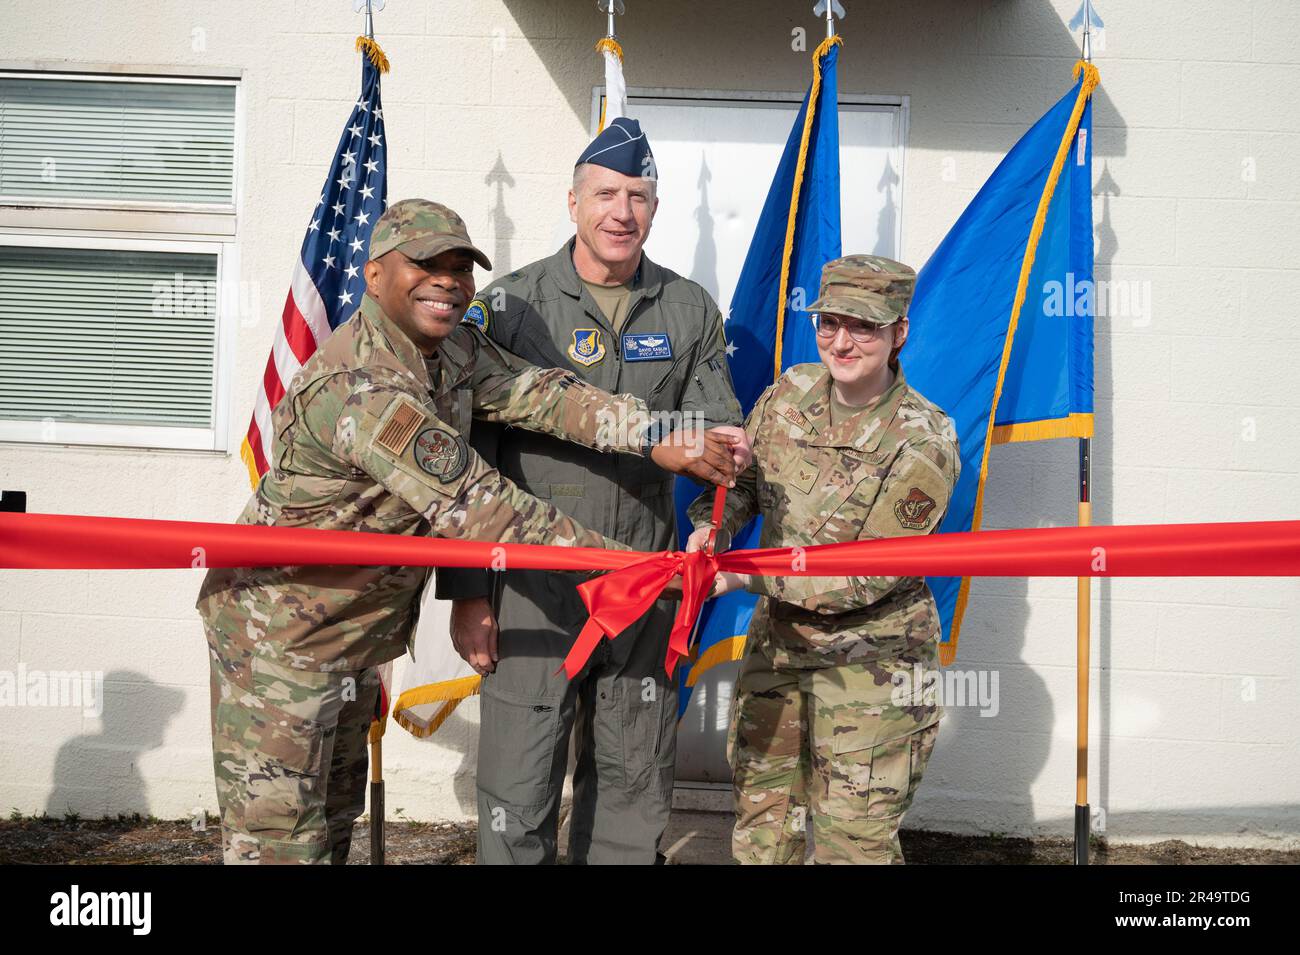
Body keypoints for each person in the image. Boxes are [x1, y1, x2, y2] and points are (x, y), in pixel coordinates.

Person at [196, 198, 740, 865]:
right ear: (373, 275)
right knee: (282, 846)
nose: (448, 280)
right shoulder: (365, 387)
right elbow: (482, 506)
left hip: (352, 633)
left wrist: (657, 433)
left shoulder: (449, 348)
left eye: (461, 266)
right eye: (426, 264)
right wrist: (632, 565)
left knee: (332, 825)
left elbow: (540, 393)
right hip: (282, 641)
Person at [436, 118, 744, 865]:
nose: (622, 211)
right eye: (606, 193)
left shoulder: (689, 309)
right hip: (532, 590)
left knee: (633, 783)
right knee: (518, 782)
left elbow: (722, 442)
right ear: (572, 202)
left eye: (638, 196)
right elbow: (468, 455)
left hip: (643, 582)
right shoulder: (510, 306)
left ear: (655, 210)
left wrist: (711, 526)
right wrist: (468, 591)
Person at [685, 254, 960, 865]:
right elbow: (744, 483)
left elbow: (868, 574)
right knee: (762, 827)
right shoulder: (790, 391)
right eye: (829, 322)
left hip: (871, 671)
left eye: (863, 327)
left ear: (899, 333)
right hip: (779, 652)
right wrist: (713, 527)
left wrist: (740, 578)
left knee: (852, 847)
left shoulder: (923, 439)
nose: (842, 341)